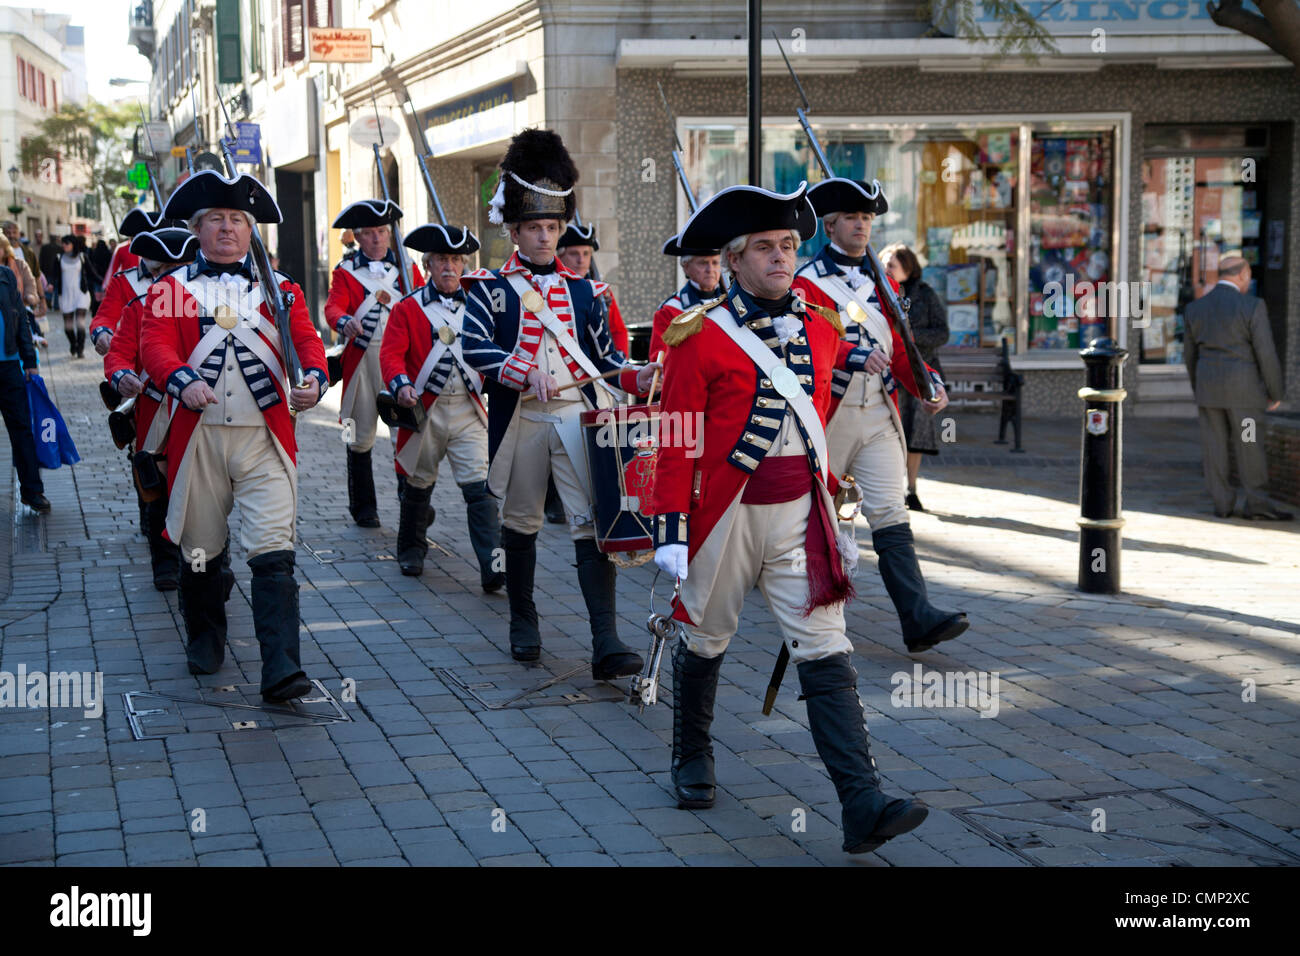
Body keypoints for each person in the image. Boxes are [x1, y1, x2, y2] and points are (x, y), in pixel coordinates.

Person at [651, 181, 928, 854]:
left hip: (801, 512)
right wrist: (670, 529)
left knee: (827, 645)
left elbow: (824, 416)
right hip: (725, 517)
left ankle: (861, 801)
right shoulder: (698, 338)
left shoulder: (820, 324)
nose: (781, 259)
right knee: (708, 638)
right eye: (765, 249)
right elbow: (676, 437)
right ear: (737, 259)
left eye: (787, 246)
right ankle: (692, 756)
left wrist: (836, 508)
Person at [461, 127, 658, 679]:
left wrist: (639, 374)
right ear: (515, 230)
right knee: (520, 520)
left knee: (593, 523)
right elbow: (474, 347)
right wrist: (519, 372)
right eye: (535, 228)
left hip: (576, 419)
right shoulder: (488, 288)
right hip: (522, 419)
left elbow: (606, 357)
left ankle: (605, 640)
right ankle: (523, 620)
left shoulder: (585, 291)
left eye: (552, 227)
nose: (545, 238)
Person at [141, 168, 329, 702]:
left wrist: (313, 379)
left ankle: (282, 667)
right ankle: (205, 633)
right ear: (197, 230)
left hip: (263, 437)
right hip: (198, 439)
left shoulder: (281, 288)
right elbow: (155, 345)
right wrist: (180, 378)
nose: (227, 229)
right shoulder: (171, 290)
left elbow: (306, 342)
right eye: (216, 220)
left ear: (251, 232)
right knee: (201, 549)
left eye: (237, 220)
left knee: (274, 549)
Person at [792, 178, 967, 655]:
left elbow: (901, 346)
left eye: (867, 218)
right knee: (822, 514)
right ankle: (816, 613)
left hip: (879, 413)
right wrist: (850, 353)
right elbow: (808, 346)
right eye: (852, 218)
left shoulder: (883, 282)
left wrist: (927, 382)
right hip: (832, 414)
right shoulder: (808, 280)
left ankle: (918, 617)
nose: (861, 226)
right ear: (830, 224)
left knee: (890, 510)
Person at [380, 223, 504, 588]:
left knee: (480, 487)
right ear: (428, 265)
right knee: (418, 483)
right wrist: (401, 385)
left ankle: (492, 565)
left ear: (464, 264)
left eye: (455, 259)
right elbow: (391, 355)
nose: (449, 266)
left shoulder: (482, 307)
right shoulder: (407, 308)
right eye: (441, 260)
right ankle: (411, 550)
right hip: (425, 410)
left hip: (468, 409)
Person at [102, 227, 198, 589]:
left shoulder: (213, 303)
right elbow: (119, 354)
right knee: (158, 485)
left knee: (205, 489)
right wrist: (121, 375)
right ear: (156, 273)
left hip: (200, 408)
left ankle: (208, 564)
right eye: (166, 270)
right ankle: (165, 564)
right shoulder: (140, 307)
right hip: (155, 407)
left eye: (182, 268)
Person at [324, 199, 422, 528]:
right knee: (358, 433)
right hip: (362, 359)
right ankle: (363, 507)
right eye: (369, 233)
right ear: (358, 238)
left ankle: (410, 502)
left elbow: (423, 304)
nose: (378, 239)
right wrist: (344, 321)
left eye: (382, 231)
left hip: (401, 359)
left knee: (405, 432)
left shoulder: (408, 271)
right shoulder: (346, 272)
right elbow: (333, 308)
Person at [1183, 256, 1290, 520]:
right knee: (1249, 445)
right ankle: (1257, 504)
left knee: (1214, 448)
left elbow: (1189, 356)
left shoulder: (1196, 308)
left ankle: (1222, 504)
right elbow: (1265, 353)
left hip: (1209, 393)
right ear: (1241, 274)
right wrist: (1275, 392)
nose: (1249, 279)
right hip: (1244, 395)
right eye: (1249, 274)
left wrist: (1199, 388)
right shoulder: (1251, 306)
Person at [881, 243, 949, 512]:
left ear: (907, 268)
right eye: (884, 264)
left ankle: (912, 489)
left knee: (915, 436)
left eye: (892, 266)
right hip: (889, 373)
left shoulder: (926, 294)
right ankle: (892, 489)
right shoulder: (879, 293)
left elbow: (942, 333)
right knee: (890, 434)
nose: (886, 269)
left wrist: (910, 340)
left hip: (922, 375)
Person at [91, 207, 175, 356]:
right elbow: (105, 317)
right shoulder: (123, 282)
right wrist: (102, 333)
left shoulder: (189, 277)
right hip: (138, 367)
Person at [0, 258, 48, 513]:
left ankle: (32, 491)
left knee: (21, 430)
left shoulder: (6, 277)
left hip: (8, 366)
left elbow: (21, 323)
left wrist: (29, 360)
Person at [556, 221, 630, 354]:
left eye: (586, 254)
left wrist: (620, 363)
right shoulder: (552, 287)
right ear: (560, 256)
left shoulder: (601, 291)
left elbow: (618, 331)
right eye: (574, 254)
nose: (581, 260)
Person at [648, 233, 725, 359]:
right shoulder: (670, 310)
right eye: (703, 263)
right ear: (686, 267)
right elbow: (660, 361)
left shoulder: (732, 303)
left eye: (715, 263)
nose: (710, 269)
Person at [53, 235, 95, 358]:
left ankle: (80, 349)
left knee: (80, 323)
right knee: (68, 326)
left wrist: (105, 282)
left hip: (81, 294)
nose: (64, 245)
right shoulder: (58, 258)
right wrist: (50, 284)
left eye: (67, 243)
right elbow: (54, 275)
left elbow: (92, 273)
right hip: (65, 295)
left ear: (73, 244)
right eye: (63, 243)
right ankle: (73, 343)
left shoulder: (82, 257)